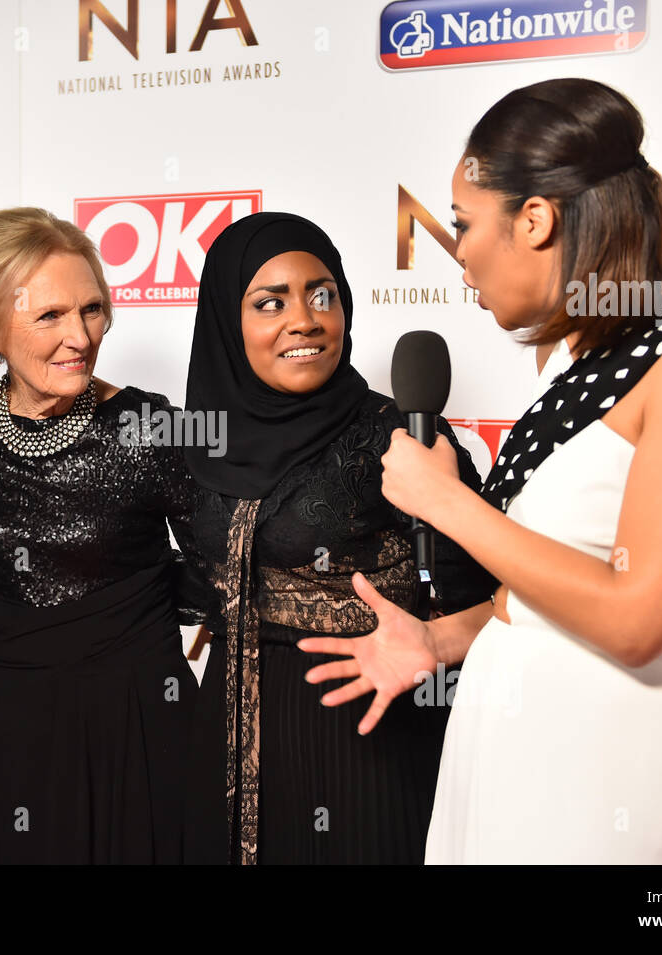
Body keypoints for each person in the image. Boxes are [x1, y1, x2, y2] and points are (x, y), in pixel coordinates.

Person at [304, 78, 662, 863]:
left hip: (614, 781)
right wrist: (438, 638)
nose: (457, 250)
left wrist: (448, 501)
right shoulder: (578, 361)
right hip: (501, 765)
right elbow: (541, 599)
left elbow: (637, 622)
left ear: (535, 218)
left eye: (464, 223)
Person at [180, 211, 495, 864]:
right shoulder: (196, 442)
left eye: (323, 295)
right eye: (271, 302)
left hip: (368, 742)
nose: (306, 319)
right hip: (225, 749)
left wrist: (435, 640)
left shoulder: (400, 439)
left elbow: (499, 602)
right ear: (225, 323)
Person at [0, 207, 203, 863]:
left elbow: (225, 570)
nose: (80, 336)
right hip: (4, 740)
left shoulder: (149, 427)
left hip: (146, 732)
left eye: (91, 310)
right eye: (49, 315)